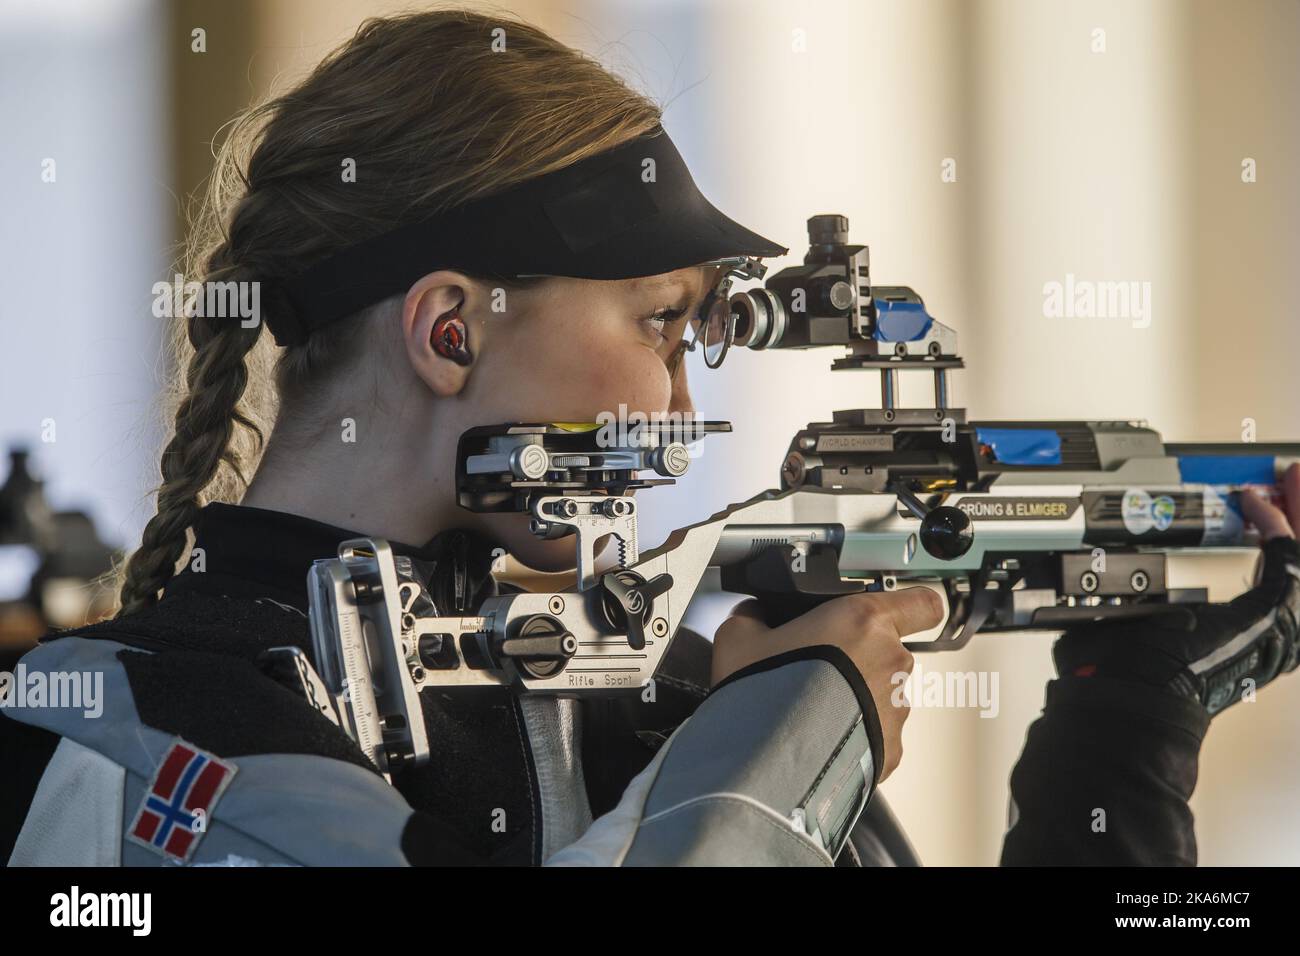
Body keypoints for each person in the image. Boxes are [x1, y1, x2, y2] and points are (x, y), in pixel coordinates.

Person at [2, 9, 1297, 867]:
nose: (679, 410)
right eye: (662, 325)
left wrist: (1123, 732)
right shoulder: (116, 722)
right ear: (450, 331)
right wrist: (793, 730)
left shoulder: (655, 713)